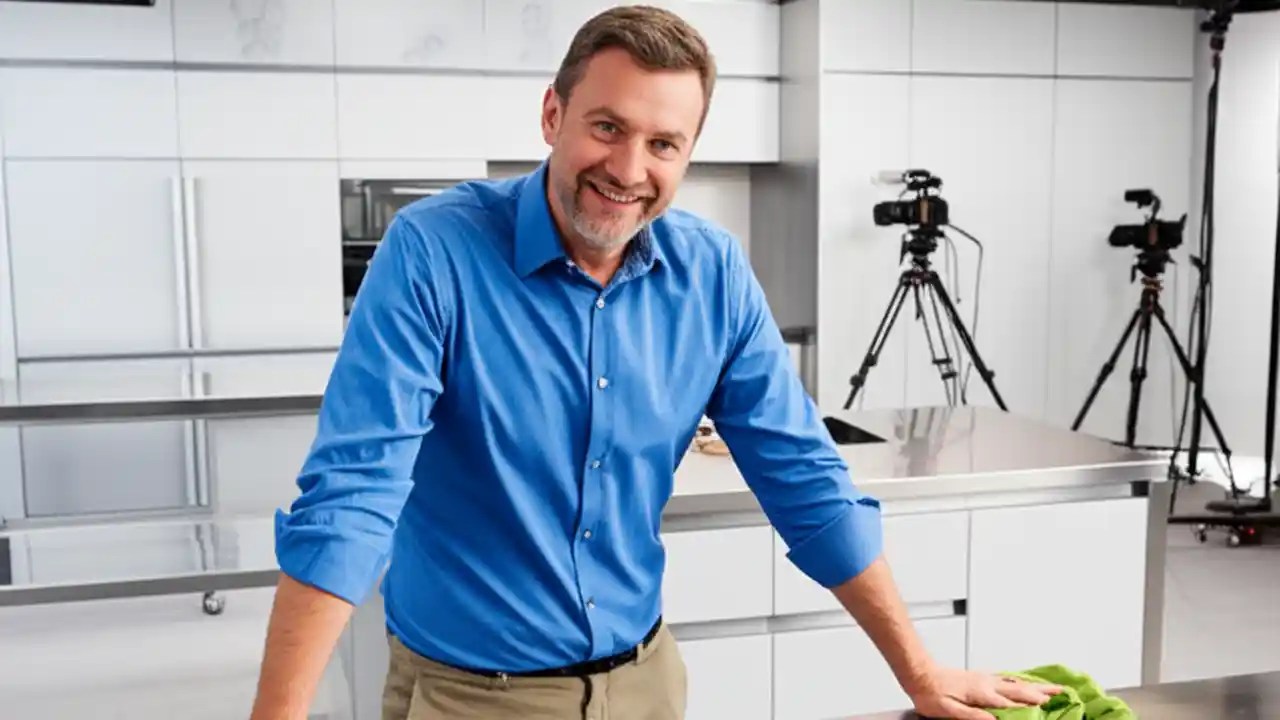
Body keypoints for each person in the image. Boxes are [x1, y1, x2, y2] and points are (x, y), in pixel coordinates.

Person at [249, 5, 1062, 720]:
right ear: (552, 114)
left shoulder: (711, 272)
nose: (629, 170)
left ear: (689, 151)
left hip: (647, 686)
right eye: (607, 127)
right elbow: (351, 501)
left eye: (663, 143)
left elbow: (807, 481)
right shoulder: (433, 251)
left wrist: (919, 672)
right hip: (472, 697)